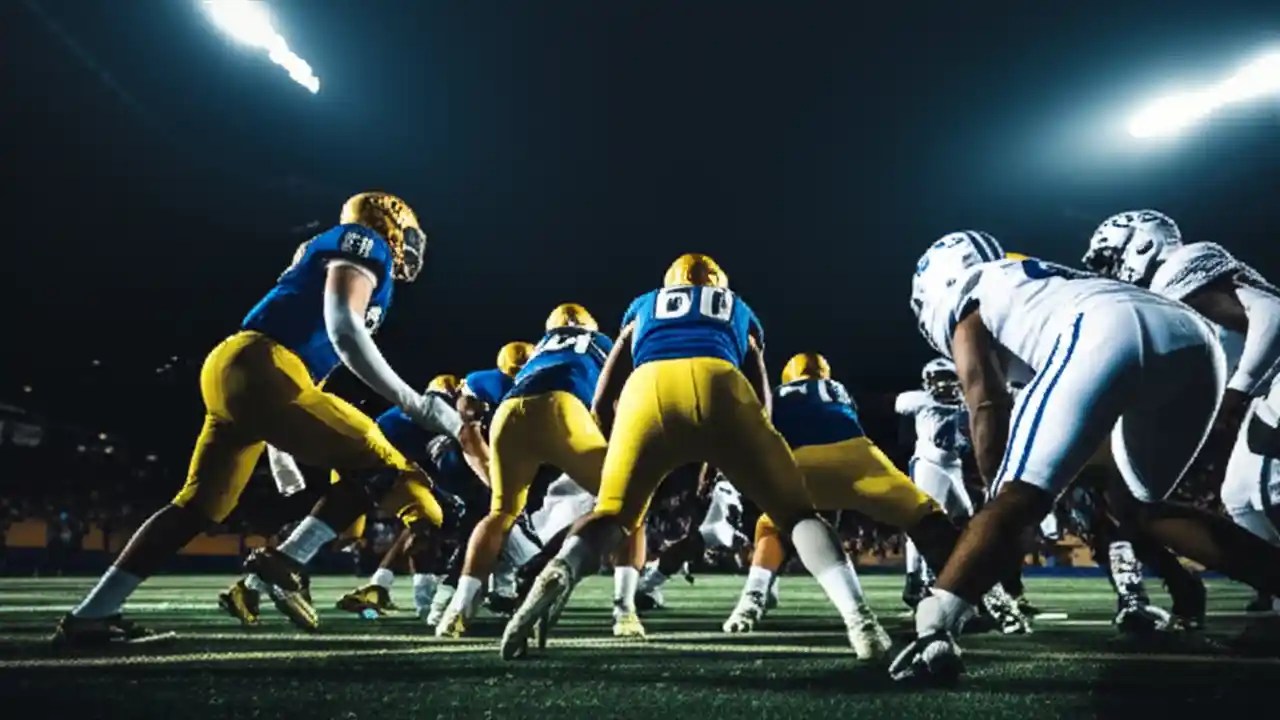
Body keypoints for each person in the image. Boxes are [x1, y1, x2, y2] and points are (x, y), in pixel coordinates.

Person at [53, 192, 460, 646]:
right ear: (389, 221)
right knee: (380, 462)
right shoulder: (365, 241)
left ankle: (92, 615)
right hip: (266, 367)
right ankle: (286, 561)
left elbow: (315, 350)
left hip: (246, 372)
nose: (410, 243)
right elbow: (343, 327)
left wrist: (280, 450)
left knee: (196, 508)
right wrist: (414, 403)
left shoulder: (340, 249)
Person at [890, 230, 1280, 683]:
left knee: (1019, 495)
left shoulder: (972, 294)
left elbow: (987, 403)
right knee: (1138, 505)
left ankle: (934, 631)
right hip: (1192, 341)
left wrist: (1002, 507)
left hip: (1103, 330)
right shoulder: (1033, 283)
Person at [502, 254, 884, 661]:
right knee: (797, 516)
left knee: (613, 515)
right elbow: (759, 389)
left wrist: (621, 448)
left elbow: (603, 396)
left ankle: (559, 570)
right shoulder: (737, 307)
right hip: (721, 380)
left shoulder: (645, 302)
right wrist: (752, 444)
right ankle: (861, 622)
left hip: (645, 389)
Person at [1085, 209, 1280, 612]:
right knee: (1241, 498)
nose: (1112, 269)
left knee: (1264, 492)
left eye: (1111, 256)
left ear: (1142, 242)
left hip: (1271, 384)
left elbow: (1273, 314)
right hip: (1268, 390)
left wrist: (1236, 393)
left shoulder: (1183, 264)